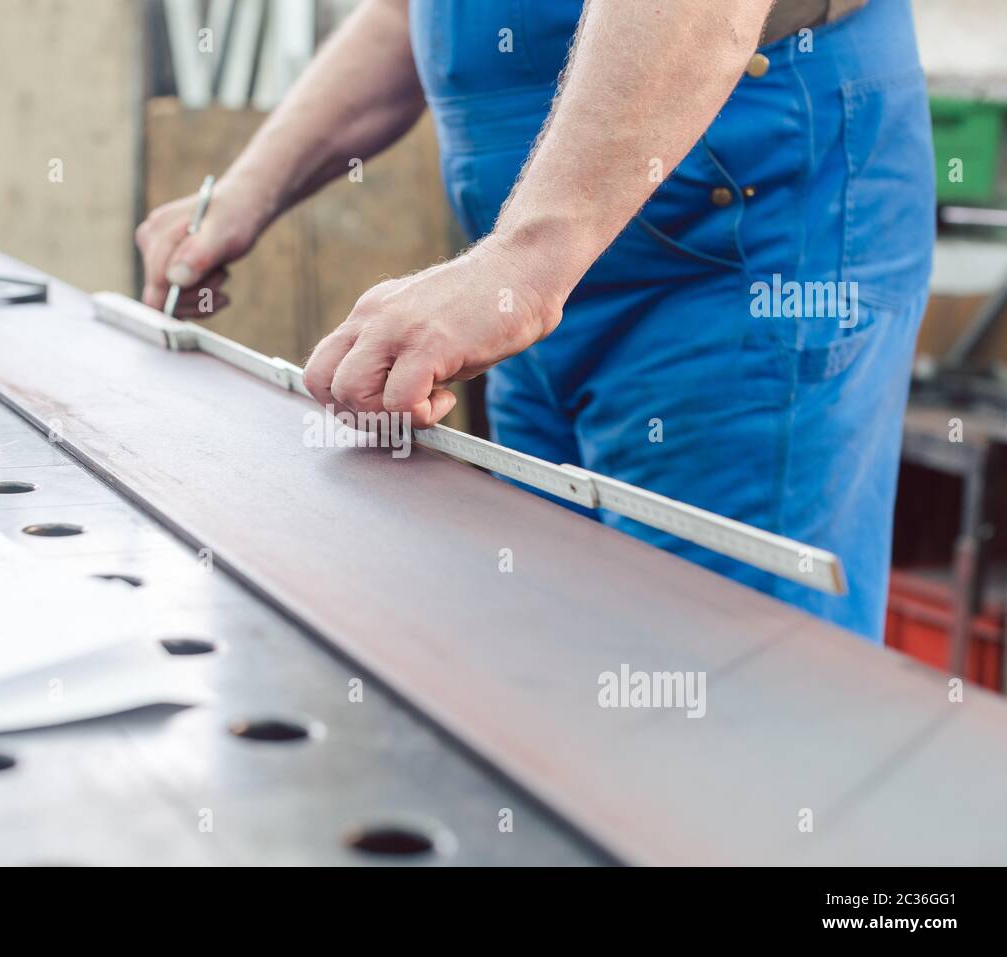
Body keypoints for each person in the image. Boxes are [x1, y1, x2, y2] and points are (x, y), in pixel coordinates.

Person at [135, 0, 934, 642]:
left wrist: (525, 260)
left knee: (718, 697)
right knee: (556, 660)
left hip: (738, 257)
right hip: (540, 290)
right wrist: (250, 189)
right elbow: (404, 14)